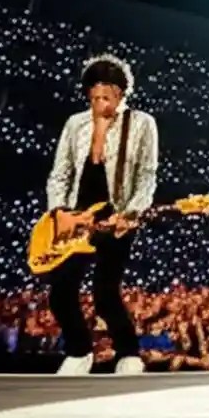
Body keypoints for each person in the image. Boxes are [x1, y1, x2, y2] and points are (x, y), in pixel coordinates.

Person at [44, 53, 160, 375]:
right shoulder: (74, 124)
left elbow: (147, 175)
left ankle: (128, 354)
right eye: (94, 97)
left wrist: (131, 213)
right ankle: (79, 351)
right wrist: (59, 212)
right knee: (61, 291)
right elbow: (60, 173)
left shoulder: (141, 123)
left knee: (105, 292)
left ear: (121, 94)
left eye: (106, 97)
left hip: (117, 217)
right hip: (77, 217)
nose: (100, 103)